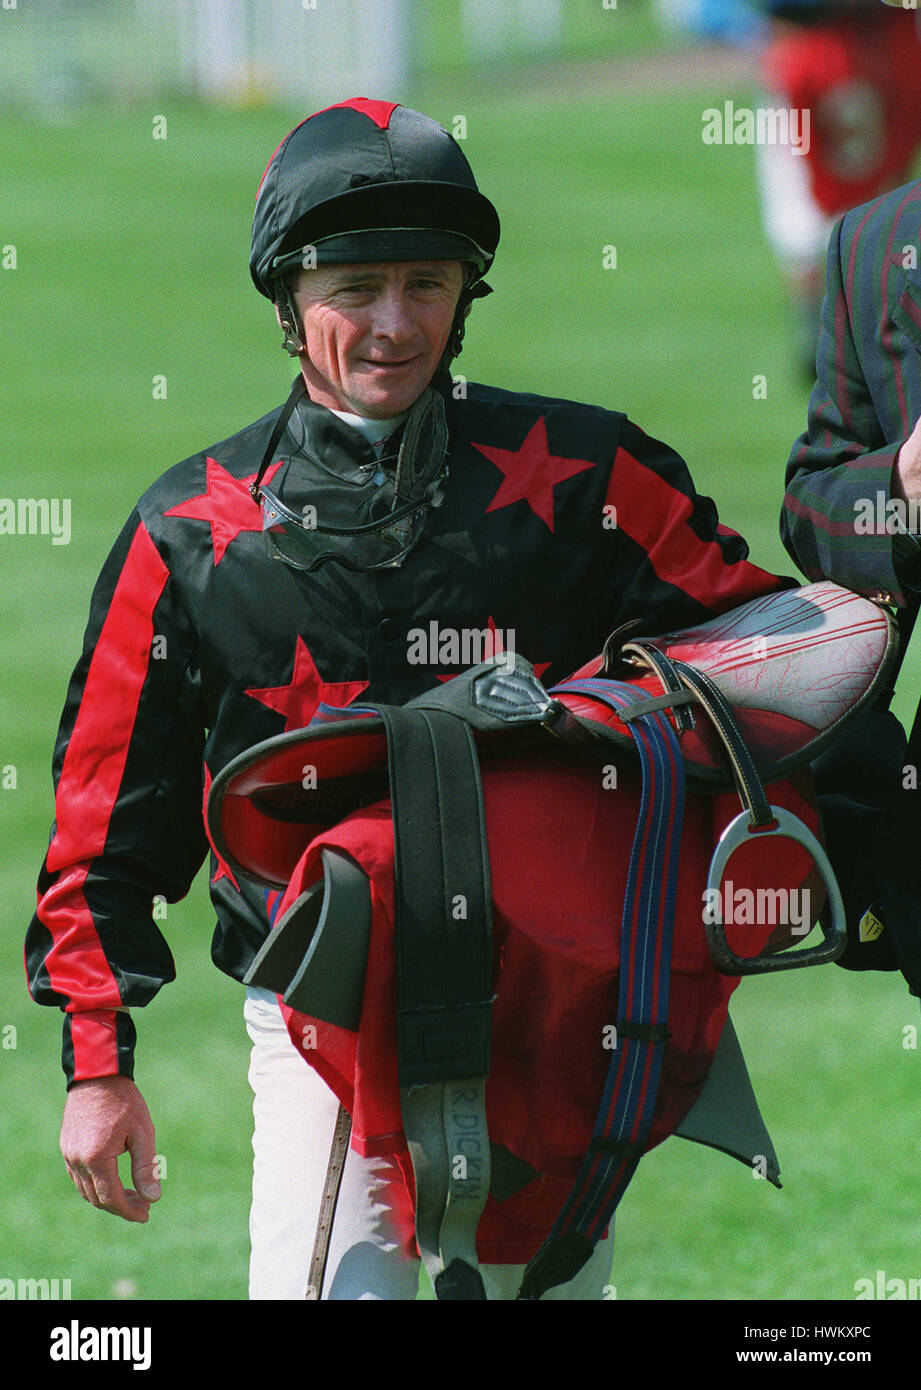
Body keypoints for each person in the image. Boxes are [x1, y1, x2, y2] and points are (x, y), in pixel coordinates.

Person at [27, 97, 792, 1300]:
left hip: (558, 1003)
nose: (395, 324)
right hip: (324, 1013)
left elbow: (770, 661)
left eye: (427, 284)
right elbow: (102, 833)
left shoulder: (597, 475)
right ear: (288, 297)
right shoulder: (187, 533)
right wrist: (96, 1066)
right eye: (358, 286)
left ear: (467, 293)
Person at [752, 0, 921, 375]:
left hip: (828, 80)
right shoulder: (903, 42)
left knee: (805, 233)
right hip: (879, 61)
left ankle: (819, 323)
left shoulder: (797, 57)